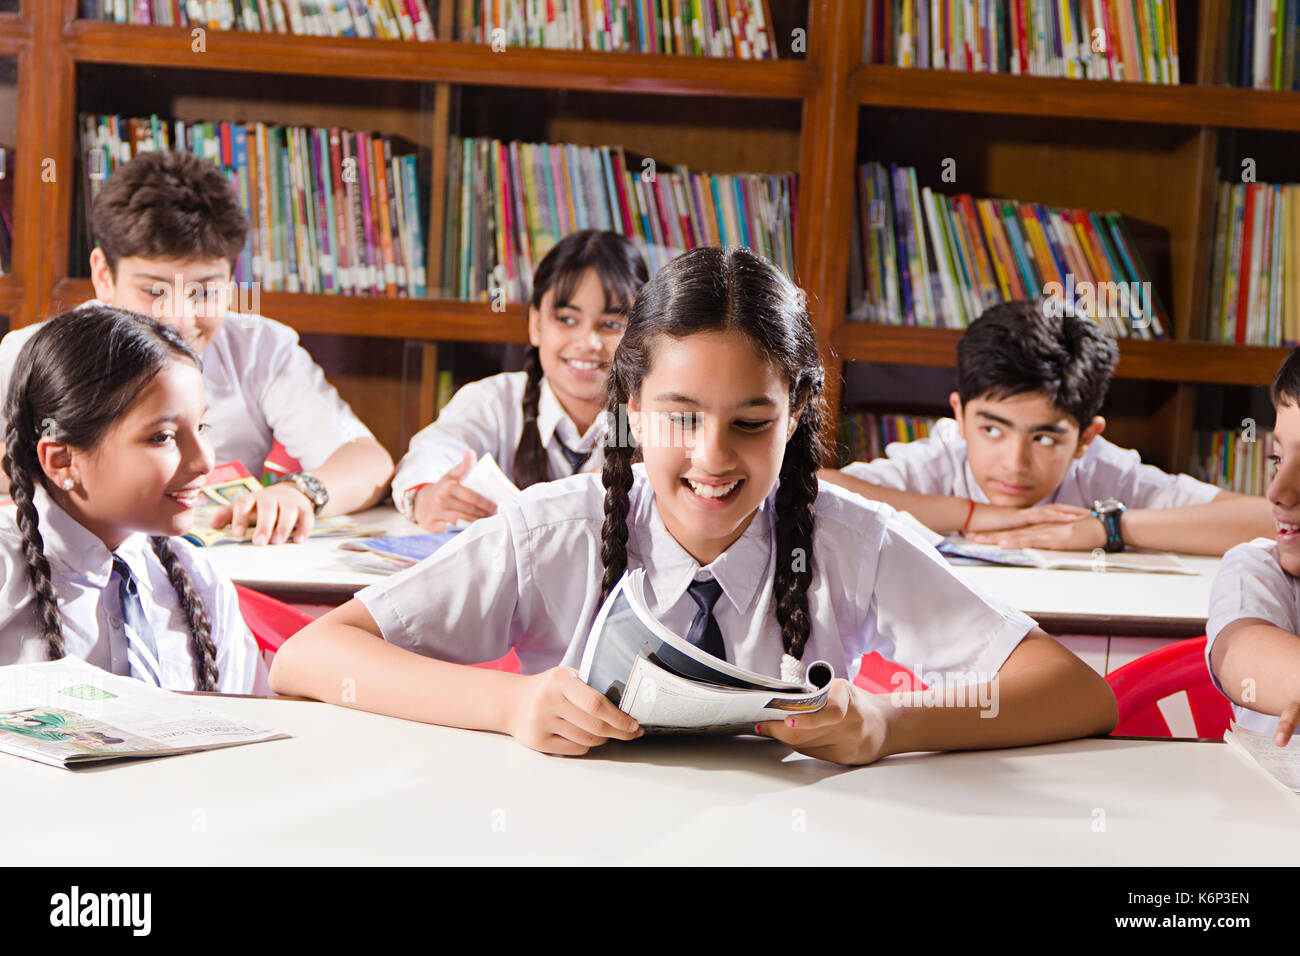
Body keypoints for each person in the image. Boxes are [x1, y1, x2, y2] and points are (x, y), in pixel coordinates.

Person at [268, 247, 1115, 766]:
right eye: (680, 418)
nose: (711, 458)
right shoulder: (552, 529)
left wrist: (888, 723)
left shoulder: (849, 539)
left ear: (796, 420)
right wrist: (511, 705)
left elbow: (1076, 691)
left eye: (751, 423)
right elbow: (309, 658)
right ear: (631, 409)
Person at [0, 150, 393, 545]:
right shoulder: (33, 352)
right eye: (154, 290)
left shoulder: (260, 346)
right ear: (103, 274)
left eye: (204, 291)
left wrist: (300, 492)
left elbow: (367, 461)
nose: (179, 319)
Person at [822, 300, 1272, 555]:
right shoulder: (937, 461)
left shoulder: (1103, 472)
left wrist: (1109, 528)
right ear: (959, 416)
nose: (1014, 463)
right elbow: (809, 490)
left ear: (1086, 438)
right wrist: (978, 515)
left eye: (1043, 438)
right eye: (992, 430)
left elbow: (1273, 523)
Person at [0, 306, 267, 693]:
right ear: (63, 460)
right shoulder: (8, 575)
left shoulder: (200, 583)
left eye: (202, 427)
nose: (205, 460)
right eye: (162, 437)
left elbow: (256, 728)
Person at [393, 229, 648, 531]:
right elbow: (431, 453)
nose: (588, 342)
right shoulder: (494, 401)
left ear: (637, 333)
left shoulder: (656, 414)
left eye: (610, 324)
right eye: (567, 319)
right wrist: (425, 497)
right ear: (536, 324)